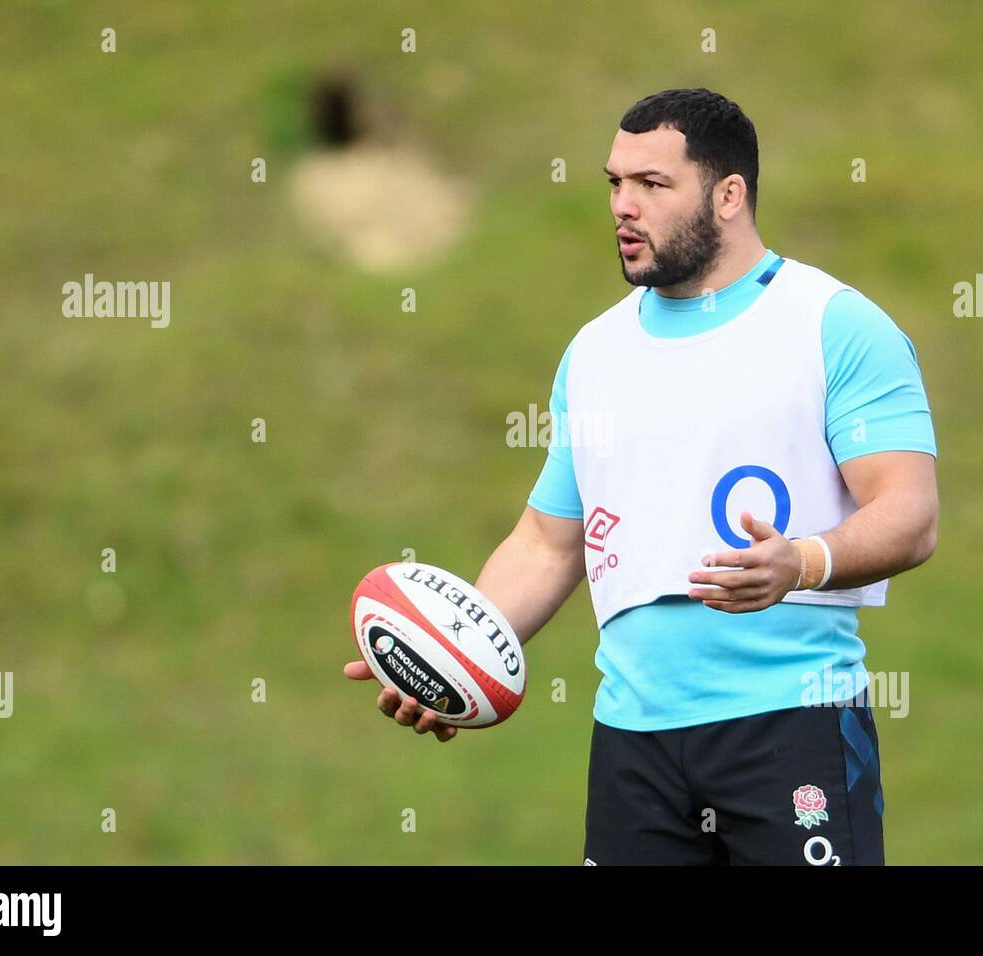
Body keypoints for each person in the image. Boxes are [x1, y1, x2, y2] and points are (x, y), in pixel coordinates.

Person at [345, 87, 939, 865]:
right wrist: (453, 655)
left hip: (791, 728)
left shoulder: (835, 325)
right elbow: (549, 543)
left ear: (730, 195)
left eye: (652, 185)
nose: (624, 206)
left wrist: (803, 561)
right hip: (634, 744)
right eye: (614, 184)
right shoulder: (593, 353)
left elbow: (909, 513)